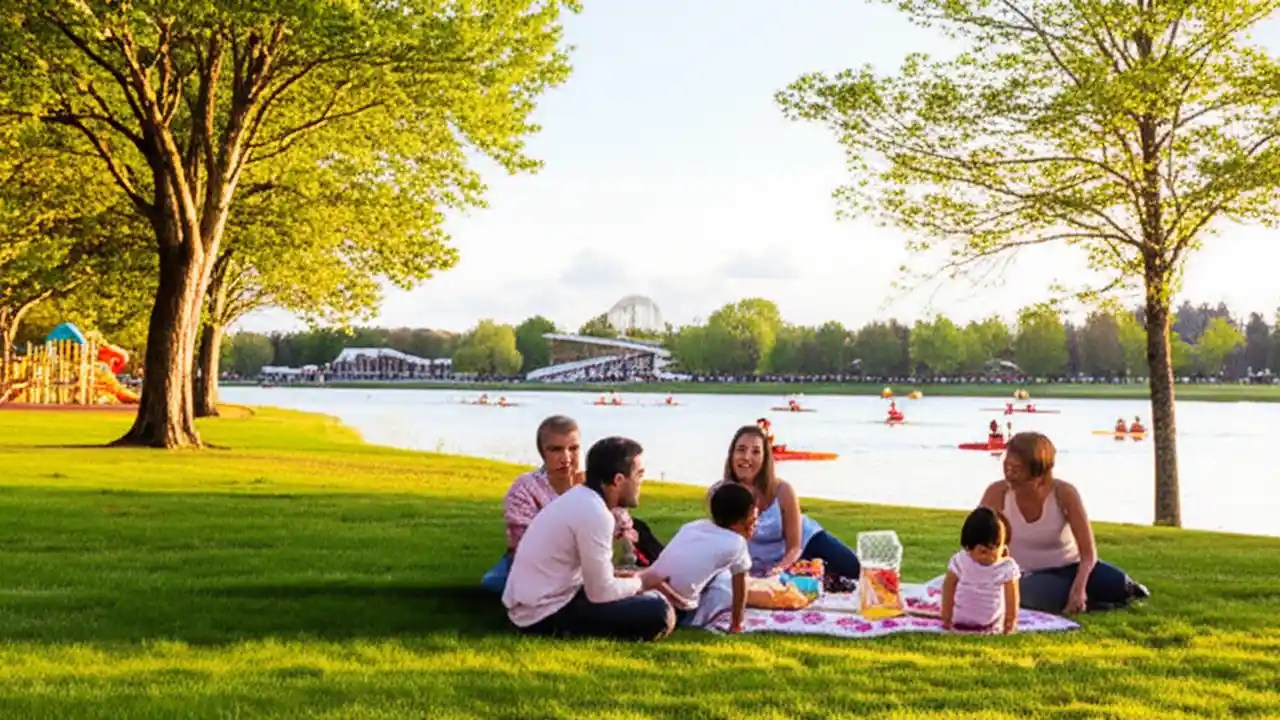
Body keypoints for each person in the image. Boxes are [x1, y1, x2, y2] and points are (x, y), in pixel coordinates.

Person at [502, 436, 683, 641]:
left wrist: (630, 578)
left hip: (542, 602)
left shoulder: (582, 499)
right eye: (639, 475)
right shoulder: (594, 513)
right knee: (659, 611)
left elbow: (594, 577)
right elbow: (600, 592)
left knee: (652, 599)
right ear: (619, 480)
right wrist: (642, 582)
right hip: (542, 615)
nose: (641, 482)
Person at [979, 432, 1149, 614]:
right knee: (1034, 594)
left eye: (1016, 469)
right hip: (1024, 574)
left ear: (1039, 472)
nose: (1009, 474)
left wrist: (1079, 587)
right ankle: (1084, 600)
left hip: (1071, 568)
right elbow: (976, 541)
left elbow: (1088, 554)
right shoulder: (997, 493)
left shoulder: (1064, 493)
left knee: (1116, 584)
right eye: (1007, 466)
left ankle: (1102, 593)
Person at [480, 416, 644, 595]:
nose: (566, 458)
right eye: (556, 450)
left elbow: (624, 529)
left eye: (573, 449)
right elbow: (524, 543)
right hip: (536, 560)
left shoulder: (597, 484)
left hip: (594, 556)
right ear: (542, 453)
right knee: (494, 584)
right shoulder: (526, 488)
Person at [711, 425, 861, 582]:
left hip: (806, 545)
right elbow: (721, 545)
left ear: (765, 458)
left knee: (857, 571)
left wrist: (780, 569)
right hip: (760, 564)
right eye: (741, 449)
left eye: (756, 451)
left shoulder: (783, 490)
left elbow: (795, 547)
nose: (747, 457)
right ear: (732, 454)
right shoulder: (719, 494)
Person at [645, 482, 757, 632]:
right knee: (724, 583)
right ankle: (698, 620)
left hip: (648, 587)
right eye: (754, 520)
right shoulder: (737, 543)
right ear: (747, 516)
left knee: (716, 574)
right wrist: (737, 624)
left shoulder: (694, 526)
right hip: (678, 609)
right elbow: (741, 585)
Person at [941, 507, 1020, 634]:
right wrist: (946, 616)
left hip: (991, 624)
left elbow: (1012, 598)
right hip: (960, 620)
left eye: (996, 549)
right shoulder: (961, 561)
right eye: (983, 551)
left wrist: (1010, 622)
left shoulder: (1005, 568)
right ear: (968, 547)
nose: (991, 556)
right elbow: (948, 587)